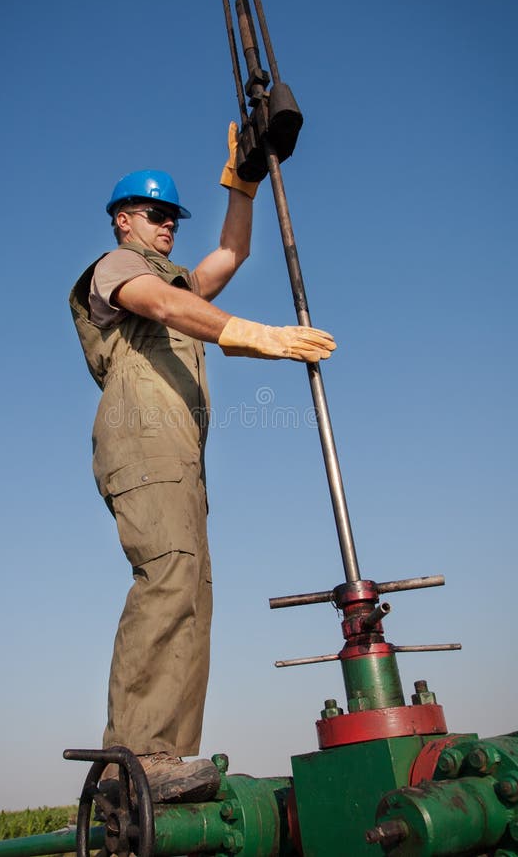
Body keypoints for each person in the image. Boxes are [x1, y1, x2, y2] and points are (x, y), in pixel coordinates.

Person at [69, 124, 336, 803]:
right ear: (124, 218)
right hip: (143, 445)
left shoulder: (175, 278)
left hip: (182, 457)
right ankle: (130, 758)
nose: (166, 227)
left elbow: (229, 252)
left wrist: (239, 184)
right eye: (155, 215)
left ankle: (162, 759)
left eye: (171, 218)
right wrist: (257, 334)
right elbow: (163, 304)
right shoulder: (116, 268)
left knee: (192, 595)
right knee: (166, 580)